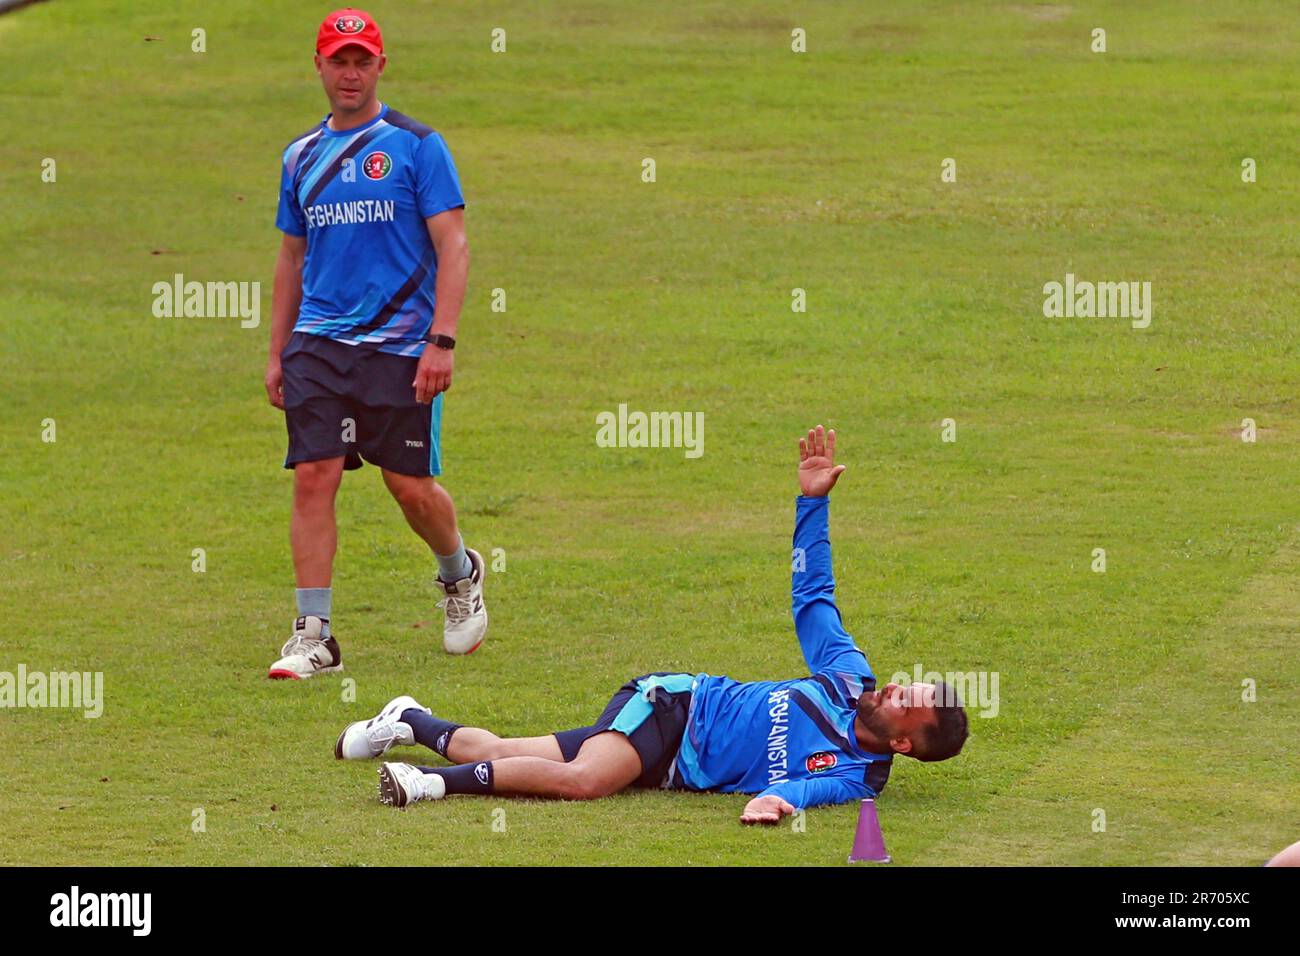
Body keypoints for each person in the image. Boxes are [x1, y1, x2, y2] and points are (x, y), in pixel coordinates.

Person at [335, 426, 970, 823]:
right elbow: (814, 599)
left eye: (907, 702)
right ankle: (428, 786)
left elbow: (812, 793)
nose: (895, 689)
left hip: (669, 762)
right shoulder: (845, 674)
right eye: (906, 685)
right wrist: (812, 503)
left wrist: (777, 801)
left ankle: (409, 720)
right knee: (584, 783)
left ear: (907, 743)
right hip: (676, 707)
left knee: (505, 751)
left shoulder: (859, 776)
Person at [264, 8, 486, 678]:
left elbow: (454, 244)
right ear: (319, 66)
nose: (350, 73)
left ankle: (459, 574)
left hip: (399, 346)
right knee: (314, 474)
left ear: (380, 66)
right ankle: (314, 635)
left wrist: (441, 341)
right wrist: (277, 352)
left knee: (409, 486)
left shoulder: (418, 147)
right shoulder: (299, 156)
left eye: (362, 60)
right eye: (339, 60)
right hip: (320, 343)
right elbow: (289, 258)